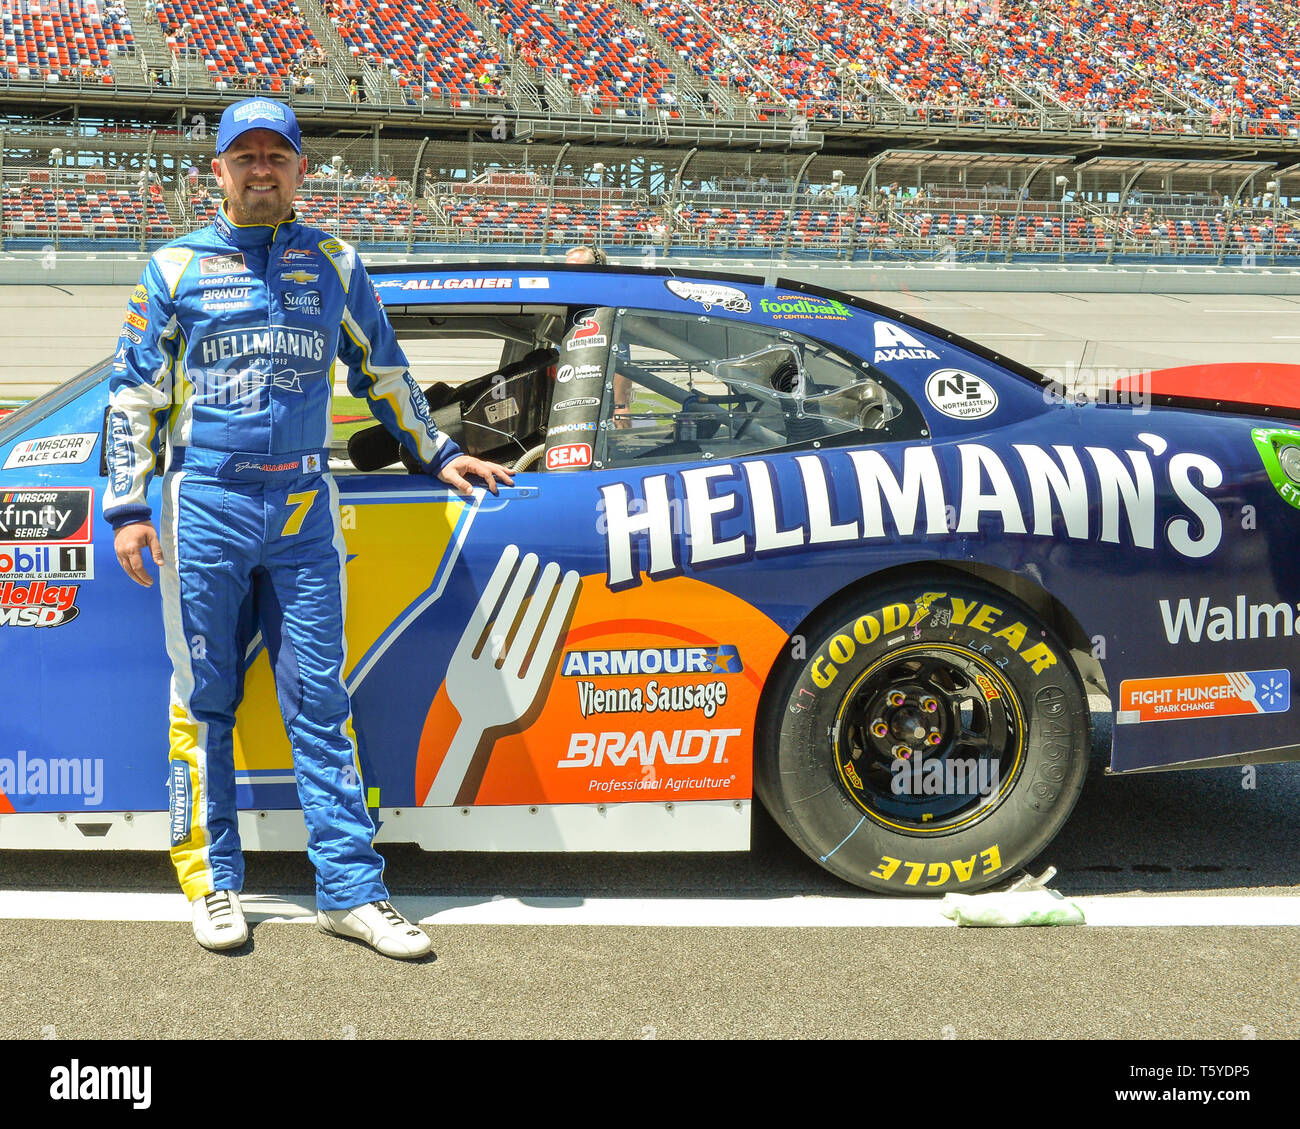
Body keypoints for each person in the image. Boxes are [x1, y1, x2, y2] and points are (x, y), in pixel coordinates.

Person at [103, 98, 513, 959]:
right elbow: (132, 392)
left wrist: (437, 453)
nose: (261, 170)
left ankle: (351, 891)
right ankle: (212, 880)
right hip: (204, 507)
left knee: (320, 701)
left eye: (276, 157)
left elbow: (383, 370)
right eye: (243, 157)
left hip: (301, 508)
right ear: (215, 172)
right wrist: (129, 506)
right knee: (204, 700)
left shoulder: (334, 261)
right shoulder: (172, 266)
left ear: (299, 171)